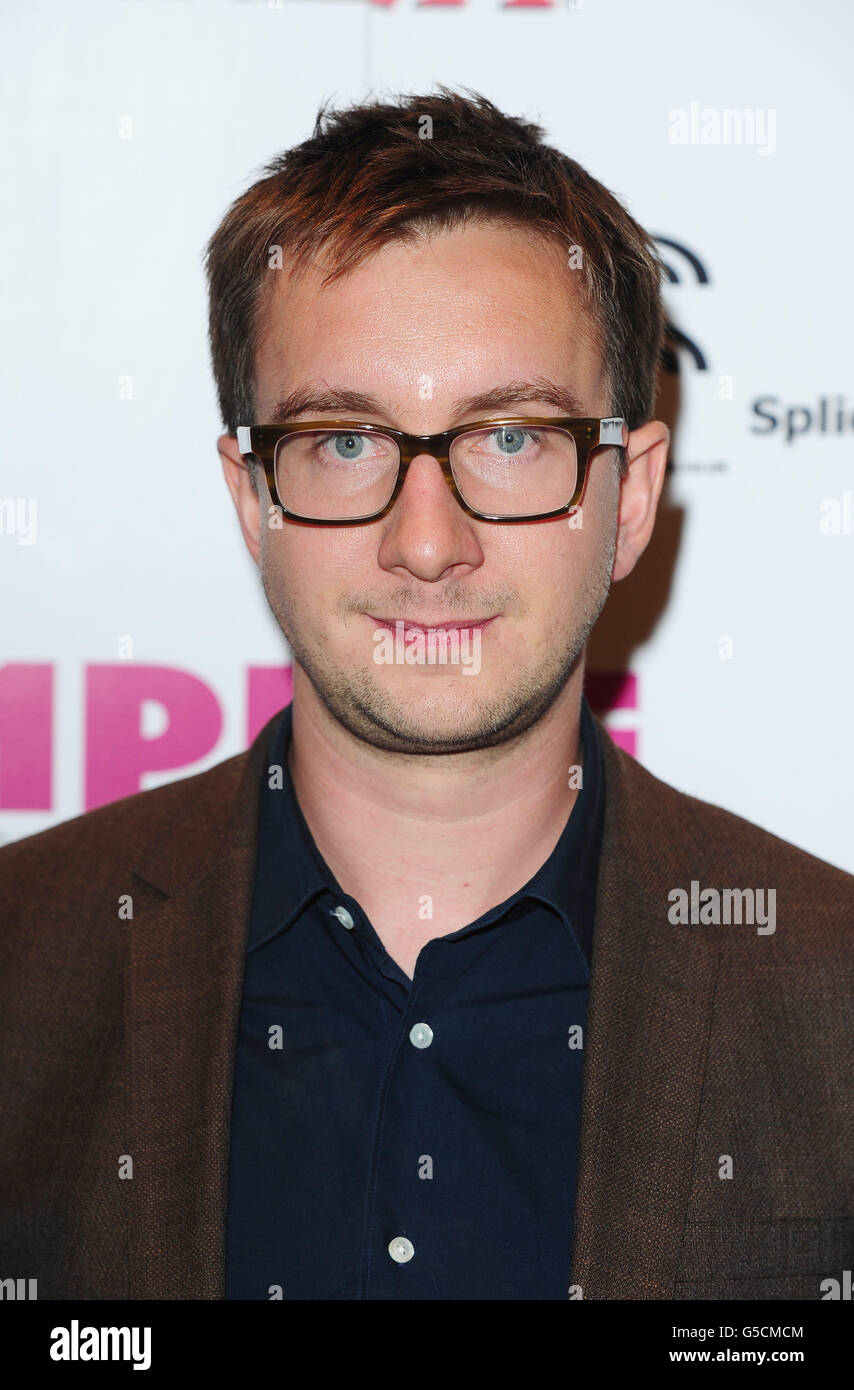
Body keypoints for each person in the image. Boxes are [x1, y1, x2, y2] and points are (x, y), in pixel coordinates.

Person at [1, 89, 851, 1302]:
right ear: (252, 497)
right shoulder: (23, 961)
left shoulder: (830, 995)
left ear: (627, 495)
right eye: (345, 441)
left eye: (507, 438)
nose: (427, 541)